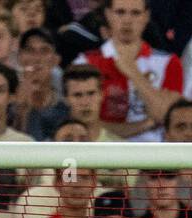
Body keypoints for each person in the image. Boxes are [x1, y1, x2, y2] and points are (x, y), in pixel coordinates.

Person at [73, 0, 184, 141]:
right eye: (120, 12)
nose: (127, 20)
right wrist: (147, 123)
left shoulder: (168, 62)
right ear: (108, 14)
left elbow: (168, 117)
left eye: (135, 13)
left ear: (146, 16)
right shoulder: (85, 62)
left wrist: (133, 72)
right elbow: (85, 124)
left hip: (153, 155)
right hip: (103, 152)